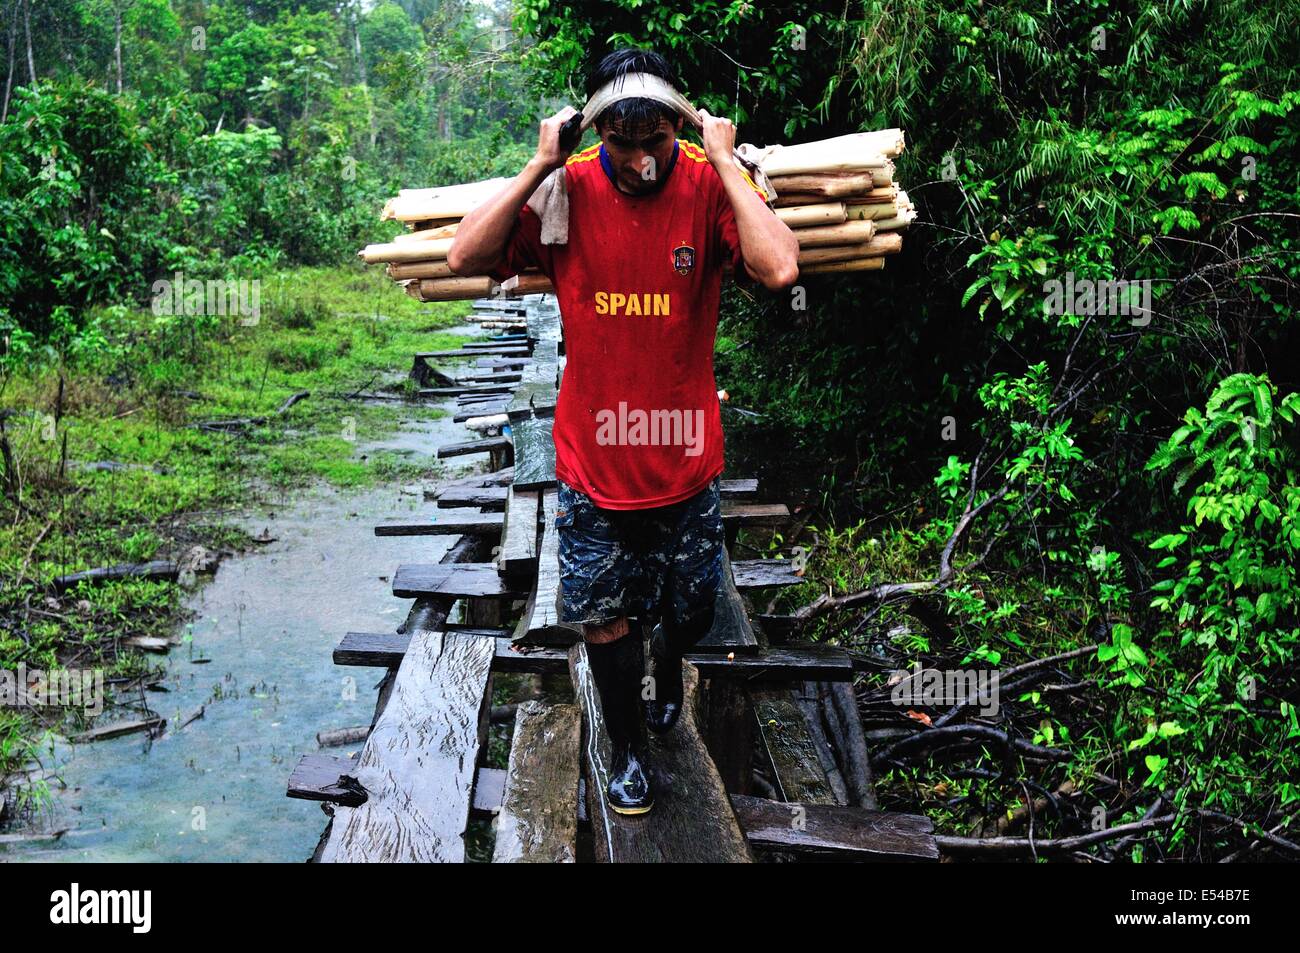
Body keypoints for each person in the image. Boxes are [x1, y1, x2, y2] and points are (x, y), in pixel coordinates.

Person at [448, 47, 798, 815]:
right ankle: (630, 748)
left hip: (687, 463)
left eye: (657, 140)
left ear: (680, 125)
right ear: (594, 132)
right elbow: (463, 254)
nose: (640, 158)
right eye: (622, 141)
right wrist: (539, 163)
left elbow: (777, 270)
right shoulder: (565, 193)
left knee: (691, 610)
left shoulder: (709, 190)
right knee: (603, 616)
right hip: (591, 465)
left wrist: (727, 160)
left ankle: (670, 663)